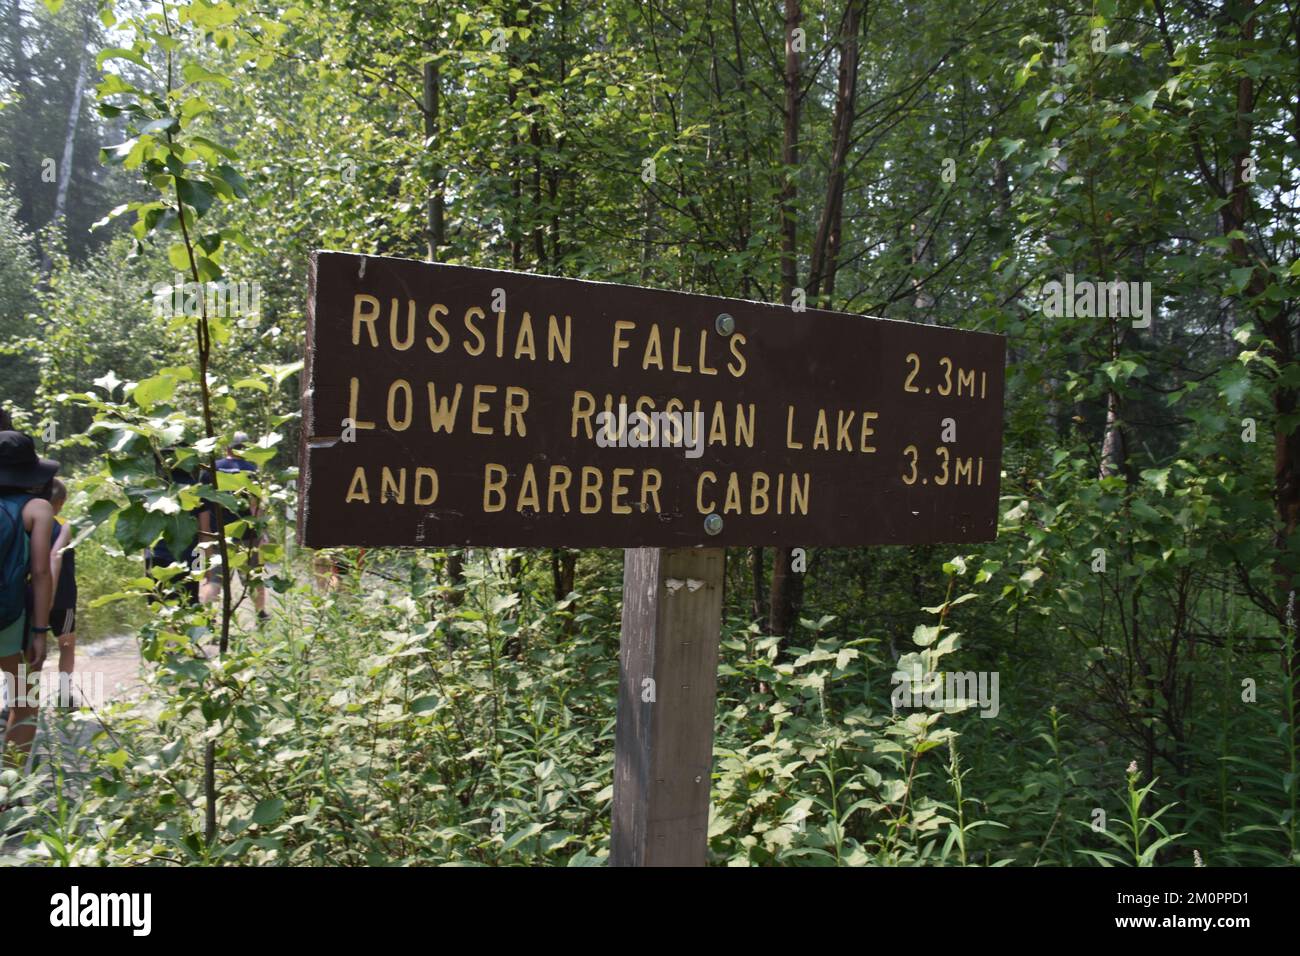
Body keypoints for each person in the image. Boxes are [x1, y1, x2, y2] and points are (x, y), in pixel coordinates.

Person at [0, 431, 56, 770]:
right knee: (24, 701)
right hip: (9, 618)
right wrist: (39, 631)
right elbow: (41, 572)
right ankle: (7, 795)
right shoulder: (37, 508)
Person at [205, 432, 266, 618]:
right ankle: (261, 615)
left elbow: (204, 506)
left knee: (214, 579)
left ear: (227, 448)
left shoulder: (211, 470)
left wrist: (204, 534)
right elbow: (256, 507)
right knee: (254, 578)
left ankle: (211, 620)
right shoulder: (251, 470)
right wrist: (261, 534)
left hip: (218, 534)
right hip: (248, 536)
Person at [47, 479, 78, 707]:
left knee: (25, 650)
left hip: (32, 594)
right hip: (61, 597)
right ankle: (65, 696)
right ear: (61, 502)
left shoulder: (27, 523)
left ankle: (14, 702)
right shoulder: (64, 525)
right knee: (66, 645)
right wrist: (50, 595)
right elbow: (56, 557)